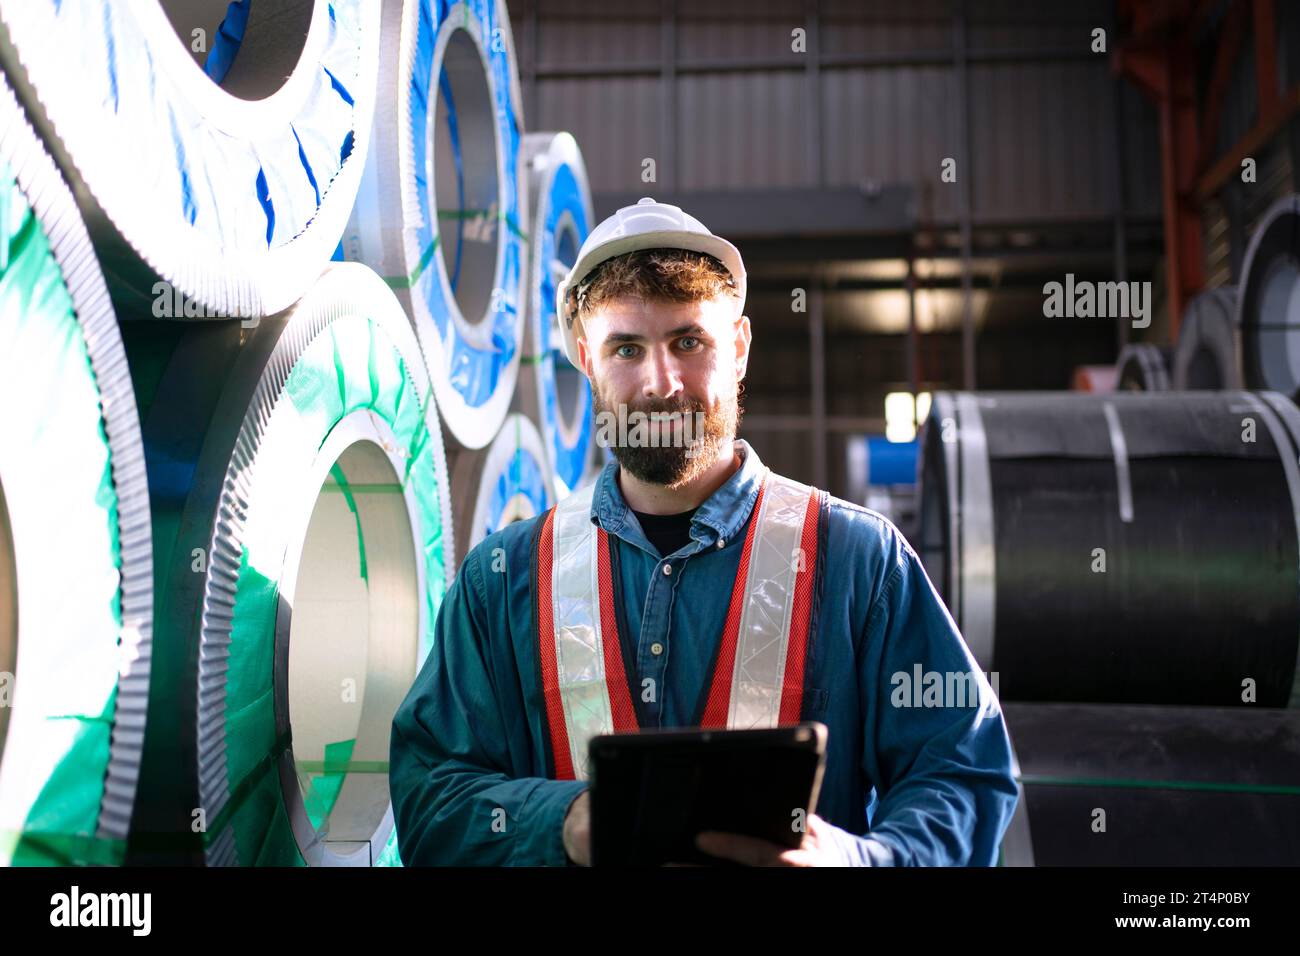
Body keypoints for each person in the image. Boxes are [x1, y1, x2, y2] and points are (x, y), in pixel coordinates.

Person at [389, 197, 1019, 866]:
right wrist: (566, 823)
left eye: (689, 341)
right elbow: (431, 798)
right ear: (585, 359)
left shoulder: (859, 562)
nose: (662, 384)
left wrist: (859, 860)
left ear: (739, 348)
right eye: (626, 348)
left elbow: (963, 774)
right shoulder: (505, 581)